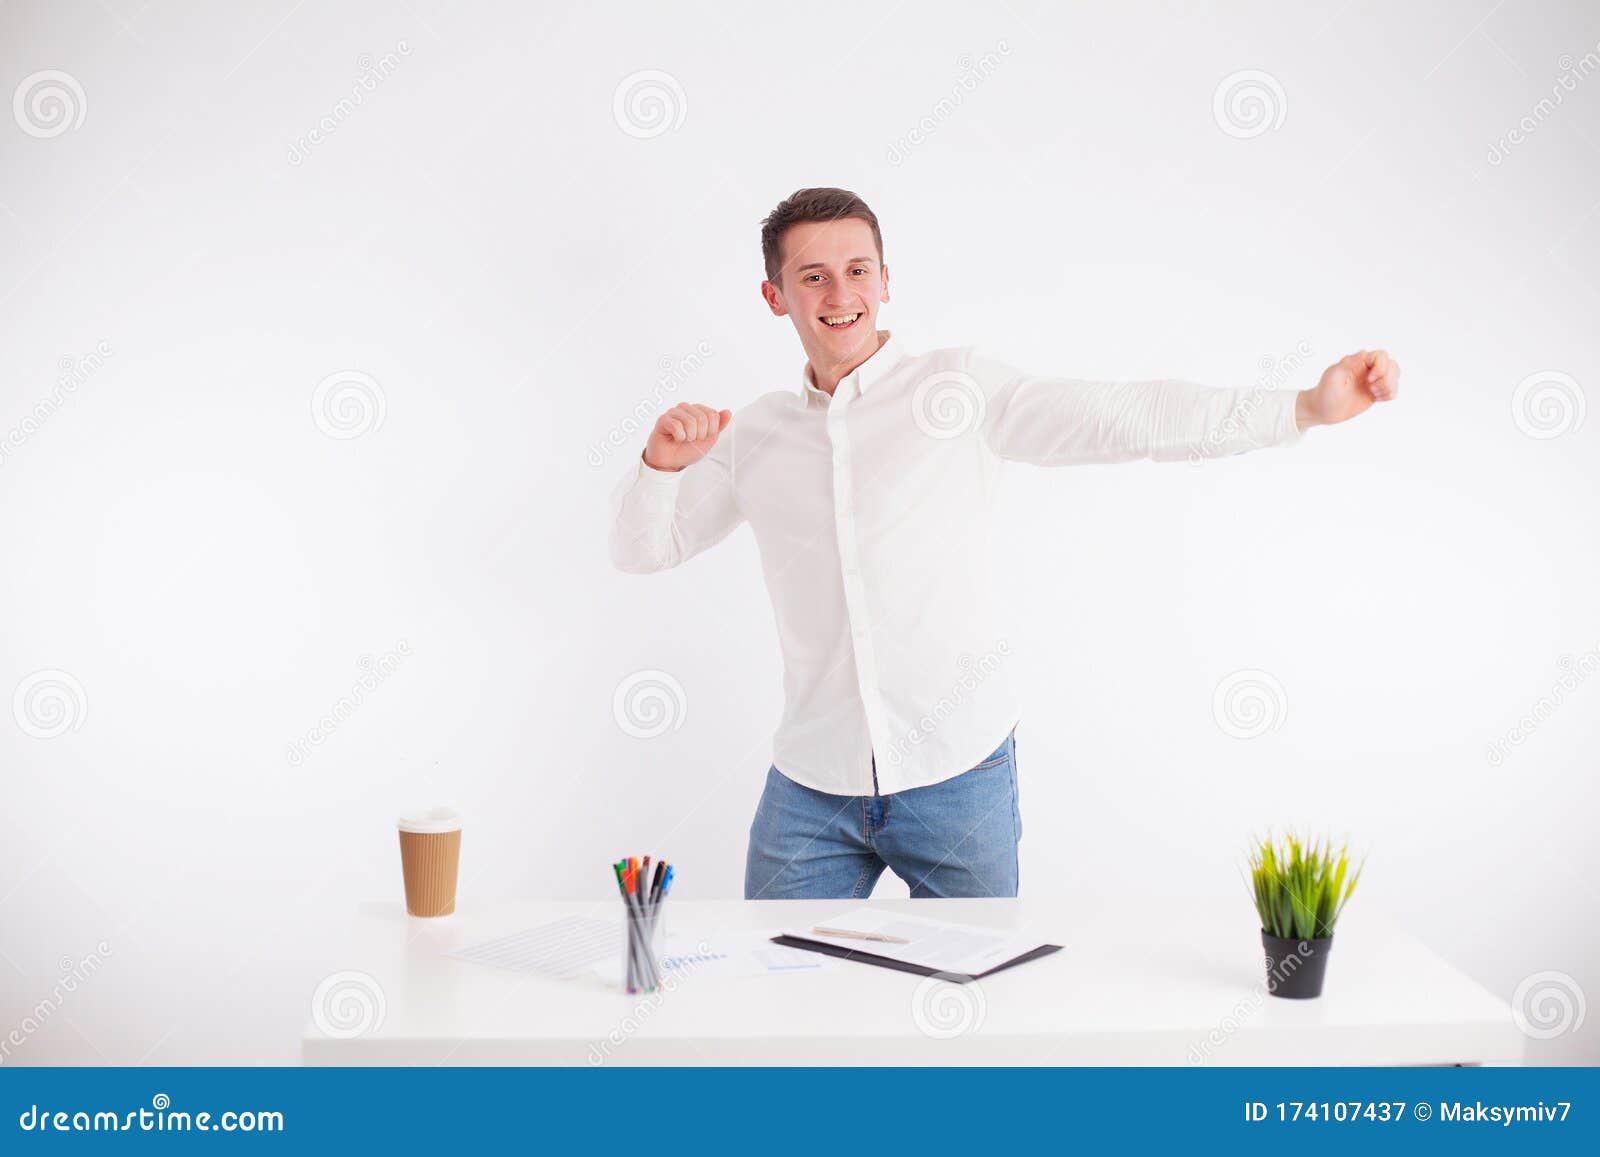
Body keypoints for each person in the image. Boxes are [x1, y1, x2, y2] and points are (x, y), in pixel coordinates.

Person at [609, 186, 1400, 901]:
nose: (840, 293)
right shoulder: (755, 436)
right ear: (774, 296)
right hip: (810, 785)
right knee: (780, 1001)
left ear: (887, 281)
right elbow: (645, 550)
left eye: (858, 269)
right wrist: (659, 469)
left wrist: (1303, 406)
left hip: (959, 774)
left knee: (980, 1015)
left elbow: (1123, 417)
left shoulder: (958, 390)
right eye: (812, 276)